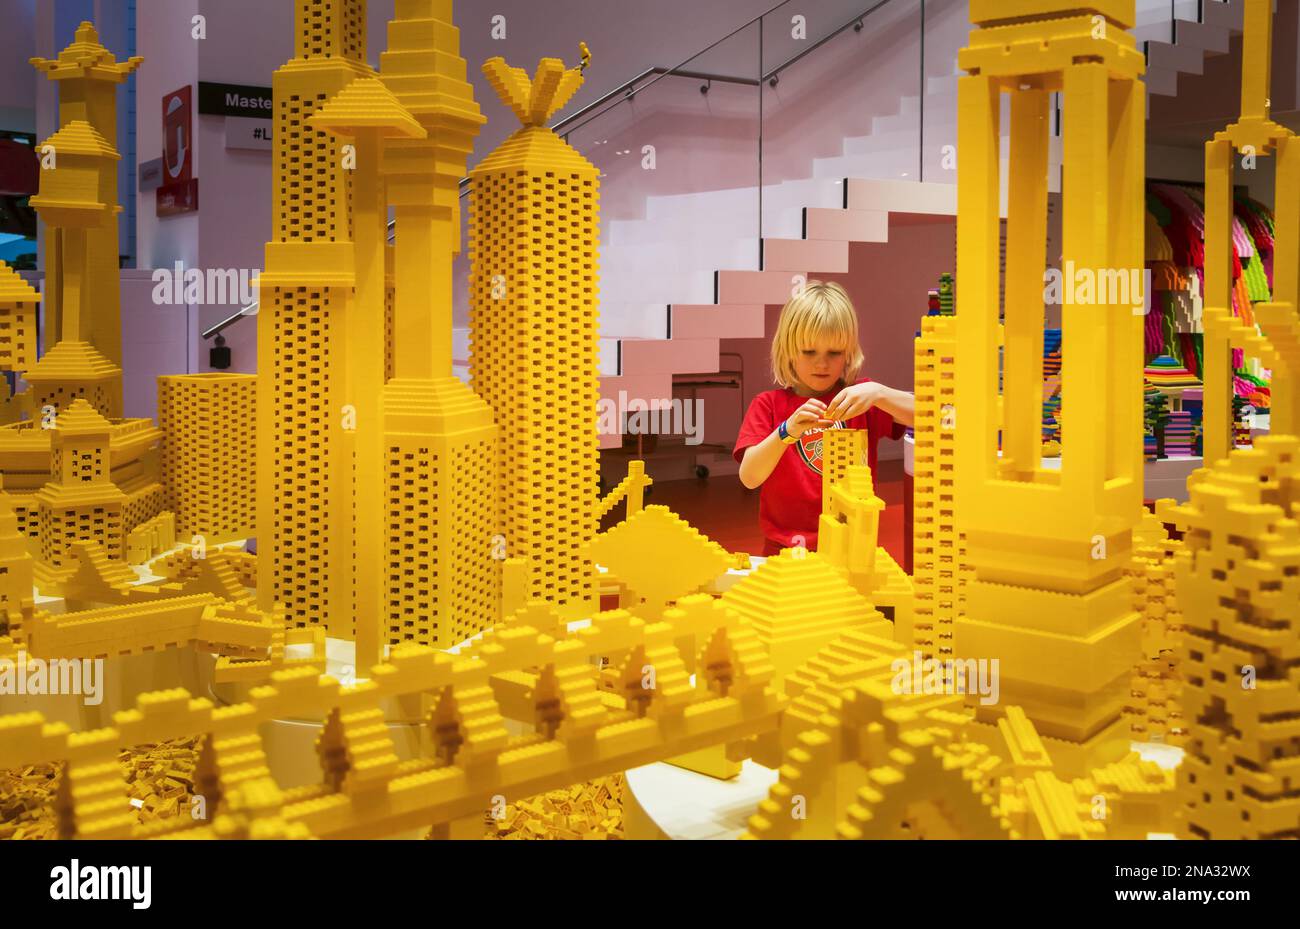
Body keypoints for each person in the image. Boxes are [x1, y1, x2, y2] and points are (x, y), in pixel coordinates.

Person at [733, 280, 914, 556]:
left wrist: (879, 393)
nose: (821, 363)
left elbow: (936, 415)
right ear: (789, 350)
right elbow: (749, 477)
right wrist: (786, 432)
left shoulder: (862, 398)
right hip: (785, 551)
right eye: (809, 352)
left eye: (834, 352)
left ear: (849, 352)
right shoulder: (768, 405)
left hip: (852, 550)